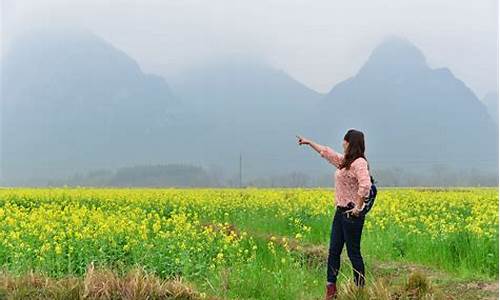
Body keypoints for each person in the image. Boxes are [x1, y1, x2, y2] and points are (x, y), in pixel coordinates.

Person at [297, 129, 371, 300]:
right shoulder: (345, 162)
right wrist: (309, 142)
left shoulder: (359, 162)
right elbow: (327, 152)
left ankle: (359, 292)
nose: (342, 143)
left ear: (349, 142)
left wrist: (358, 208)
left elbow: (365, 185)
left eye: (344, 140)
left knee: (353, 252)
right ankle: (331, 291)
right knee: (333, 252)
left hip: (352, 215)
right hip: (340, 213)